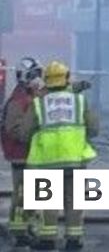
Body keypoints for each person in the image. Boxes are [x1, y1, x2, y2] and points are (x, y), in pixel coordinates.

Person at [21, 61, 99, 251]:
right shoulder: (79, 101)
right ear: (67, 78)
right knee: (74, 201)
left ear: (46, 80)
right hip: (75, 161)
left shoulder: (38, 103)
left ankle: (48, 240)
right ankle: (73, 241)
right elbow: (94, 129)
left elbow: (24, 133)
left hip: (47, 162)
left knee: (49, 201)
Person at [1, 58, 44, 247]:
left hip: (28, 154)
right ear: (25, 76)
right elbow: (13, 129)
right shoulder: (18, 100)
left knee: (31, 194)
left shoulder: (27, 96)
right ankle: (19, 231)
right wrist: (33, 134)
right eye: (35, 75)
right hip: (20, 154)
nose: (38, 79)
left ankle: (26, 227)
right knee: (21, 194)